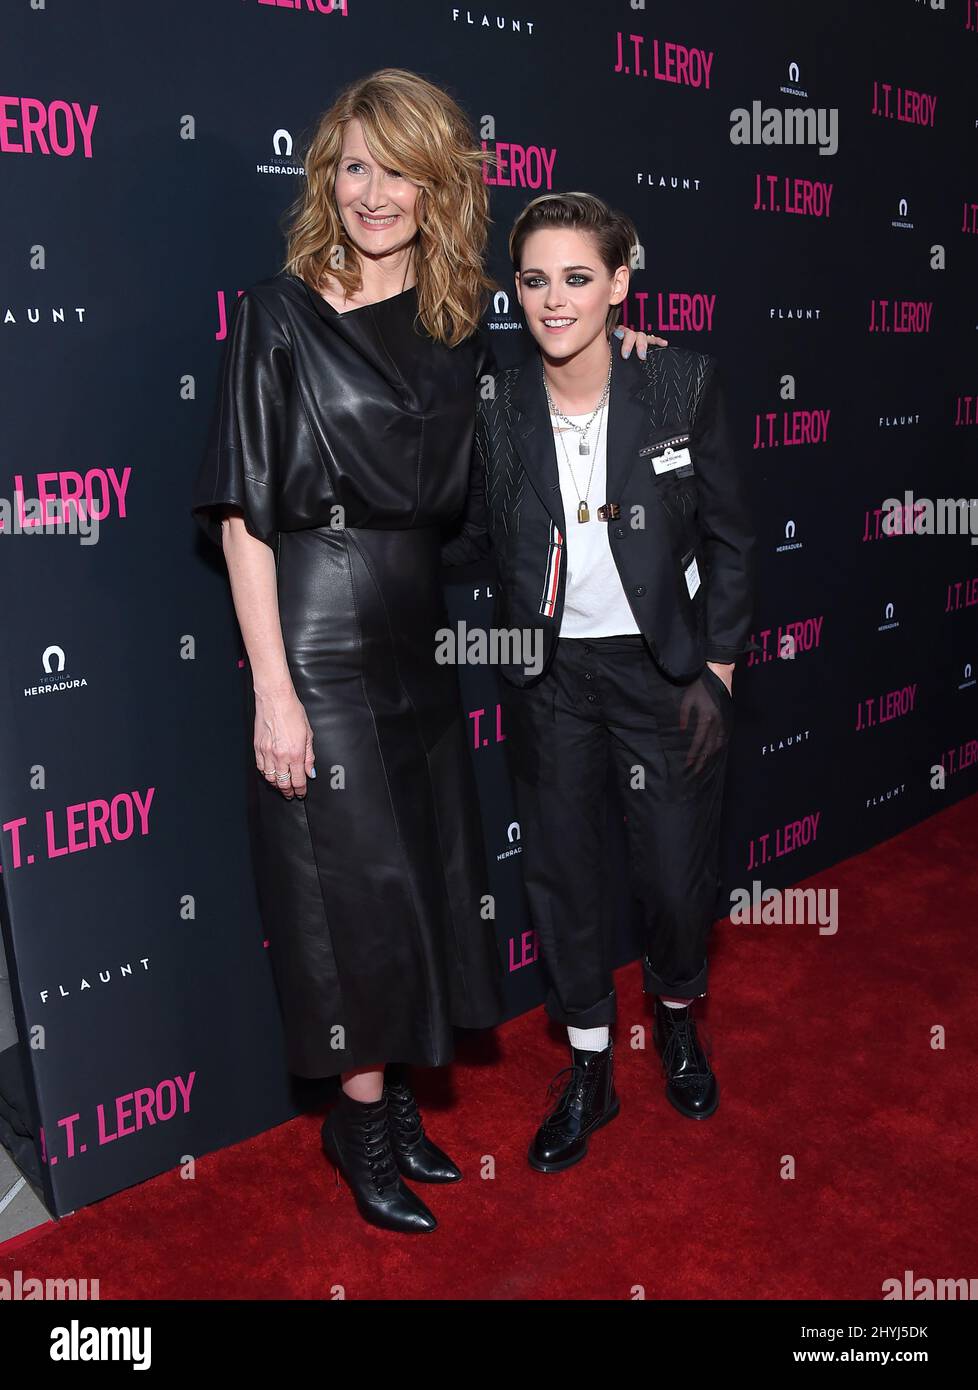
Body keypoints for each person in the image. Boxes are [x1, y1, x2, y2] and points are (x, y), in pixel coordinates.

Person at [191, 73, 658, 1233]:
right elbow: (245, 516)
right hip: (316, 634)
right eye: (353, 166)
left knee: (419, 885)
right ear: (326, 180)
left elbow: (525, 446)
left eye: (398, 168)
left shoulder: (459, 327)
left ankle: (394, 1109)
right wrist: (273, 691)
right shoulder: (278, 312)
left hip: (418, 640)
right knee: (347, 897)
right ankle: (360, 1133)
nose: (373, 191)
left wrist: (622, 349)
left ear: (437, 180)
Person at [443, 191, 757, 1172]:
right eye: (535, 279)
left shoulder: (679, 384)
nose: (554, 299)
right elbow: (463, 539)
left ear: (620, 283)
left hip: (663, 674)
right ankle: (589, 1066)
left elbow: (733, 538)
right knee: (563, 876)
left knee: (673, 874)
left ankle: (673, 1016)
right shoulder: (495, 405)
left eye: (579, 278)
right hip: (549, 677)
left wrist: (718, 668)